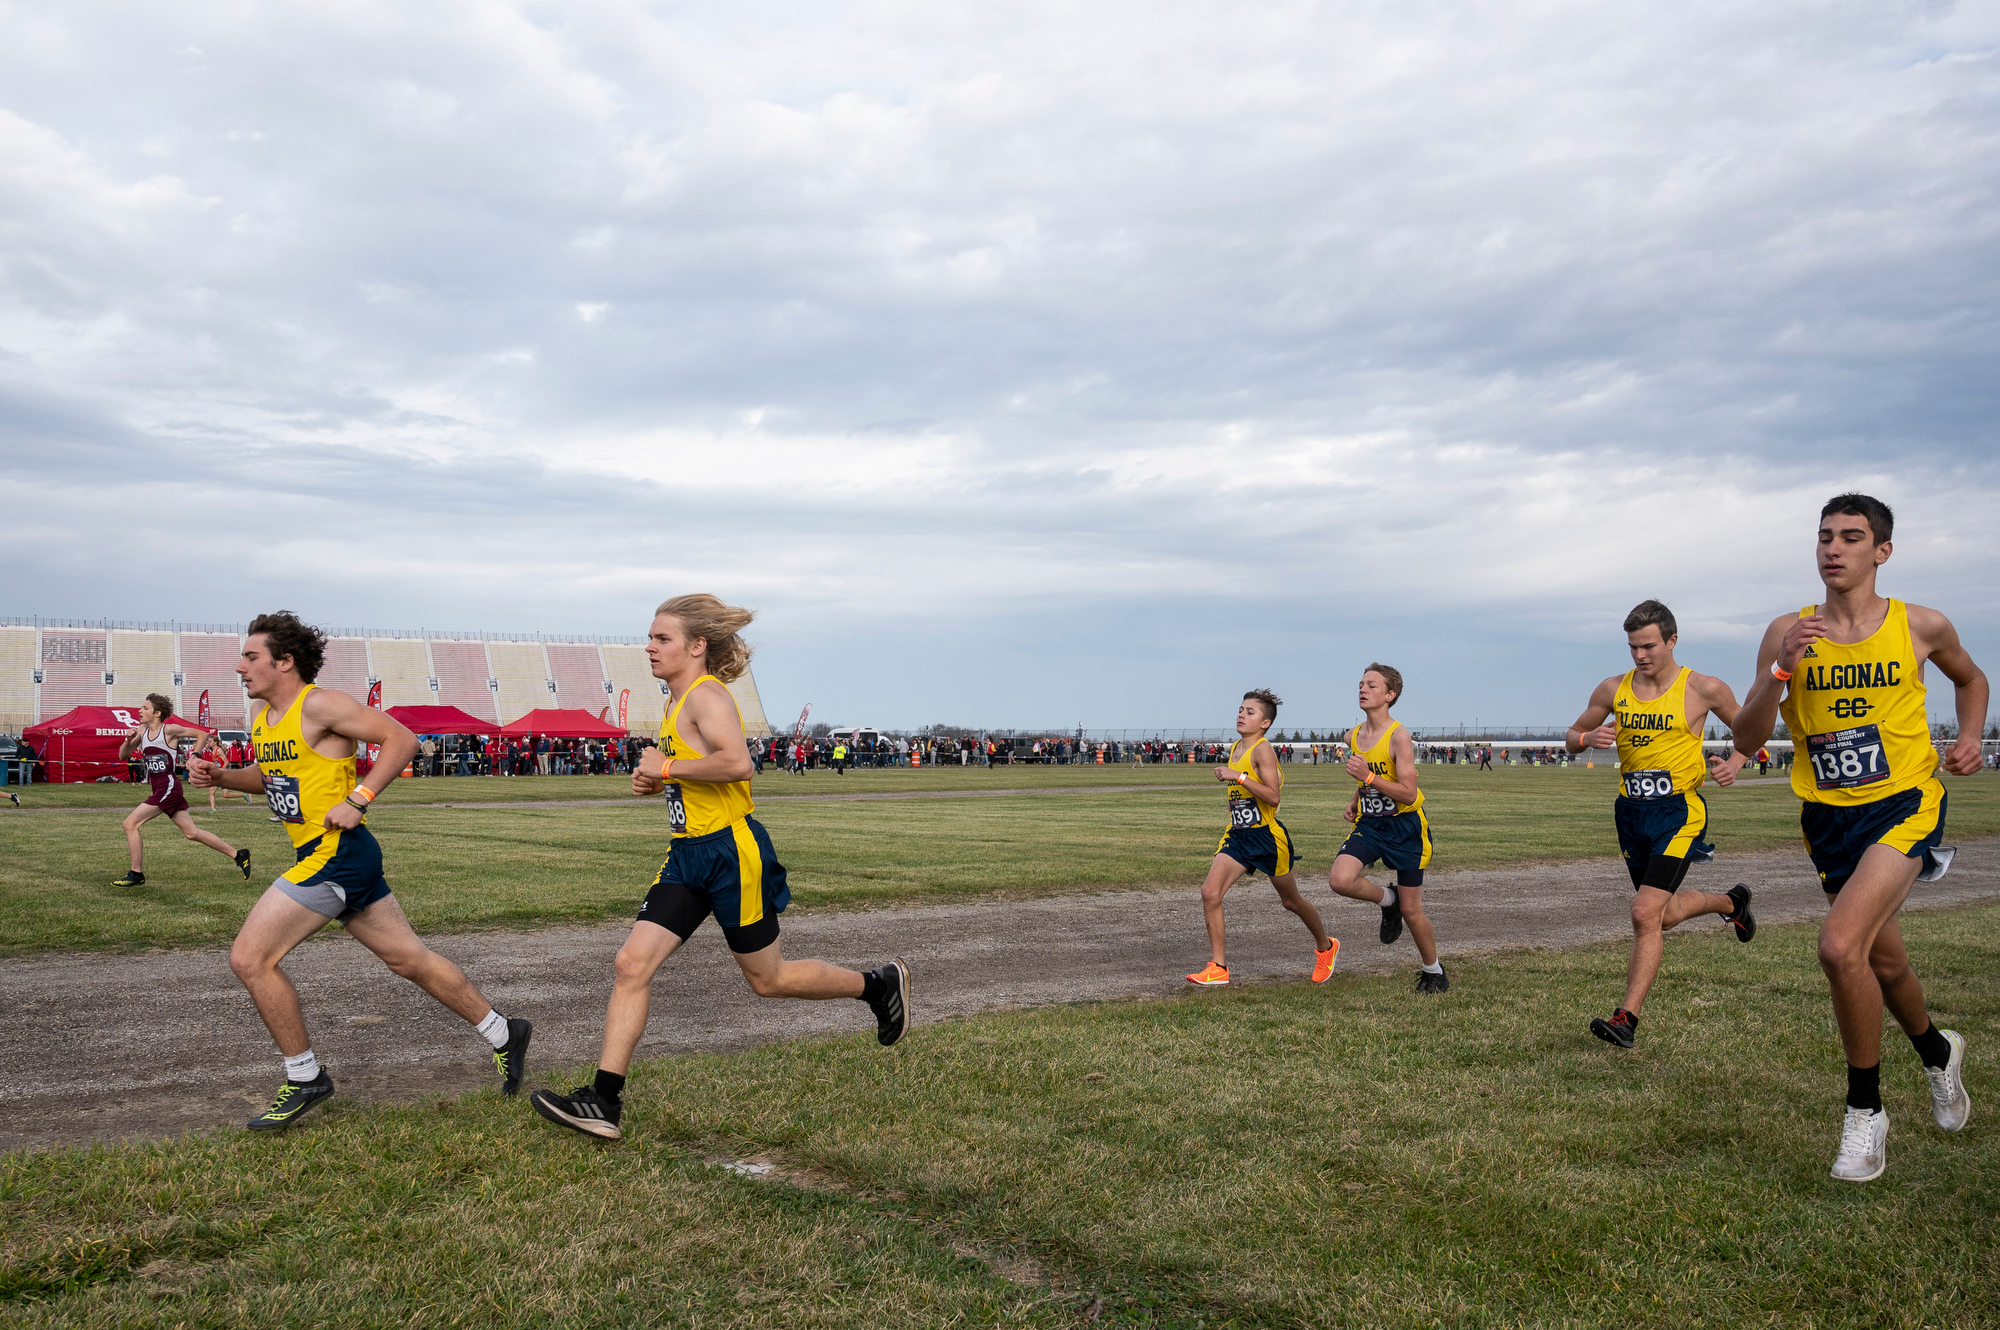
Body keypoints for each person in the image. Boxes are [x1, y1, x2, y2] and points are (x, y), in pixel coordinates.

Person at [531, 595, 909, 1142]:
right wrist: (662, 780)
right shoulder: (674, 701)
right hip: (687, 855)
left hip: (731, 853)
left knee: (769, 980)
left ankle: (877, 986)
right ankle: (604, 1102)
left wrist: (667, 766)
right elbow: (700, 770)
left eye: (662, 638)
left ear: (696, 646)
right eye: (651, 637)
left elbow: (738, 763)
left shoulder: (707, 696)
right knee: (632, 964)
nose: (650, 647)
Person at [1721, 495, 1984, 1183]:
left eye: (1852, 537)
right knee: (1882, 963)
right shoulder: (1788, 631)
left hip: (1905, 803)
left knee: (1839, 946)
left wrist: (1967, 736)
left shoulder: (1919, 625)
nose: (1834, 548)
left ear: (1882, 552)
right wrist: (1780, 670)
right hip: (1828, 818)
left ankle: (1865, 1113)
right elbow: (1746, 740)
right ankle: (1936, 1052)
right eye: (1825, 537)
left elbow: (1971, 678)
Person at [189, 613, 530, 1129]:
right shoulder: (264, 718)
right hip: (328, 856)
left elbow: (402, 740)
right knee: (409, 959)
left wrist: (360, 797)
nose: (240, 667)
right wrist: (222, 775)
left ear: (285, 662)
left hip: (339, 853)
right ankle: (506, 1033)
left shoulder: (321, 704)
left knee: (250, 959)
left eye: (250, 656)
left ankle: (305, 1078)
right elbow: (271, 776)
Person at [1565, 601, 1753, 1048]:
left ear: (1672, 640)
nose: (1640, 655)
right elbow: (1572, 737)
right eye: (1633, 646)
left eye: (1649, 645)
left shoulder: (1704, 688)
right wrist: (1589, 738)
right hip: (1631, 814)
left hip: (1679, 813)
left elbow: (1752, 728)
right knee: (1661, 916)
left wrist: (1737, 761)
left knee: (1643, 912)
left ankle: (1626, 1018)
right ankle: (1731, 903)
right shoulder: (1614, 688)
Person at [1186, 690, 1338, 988]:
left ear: (1265, 722)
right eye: (1241, 709)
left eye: (1250, 711)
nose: (1242, 714)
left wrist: (1238, 777)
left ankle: (1326, 946)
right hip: (1239, 835)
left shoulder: (1262, 749)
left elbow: (1273, 795)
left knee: (1291, 901)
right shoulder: (1237, 748)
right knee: (1210, 892)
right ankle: (1218, 967)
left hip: (1267, 837)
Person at [1326, 665, 1448, 994]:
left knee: (1412, 909)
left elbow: (1407, 792)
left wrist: (1366, 778)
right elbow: (1369, 777)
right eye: (1361, 684)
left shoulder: (1398, 736)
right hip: (1372, 824)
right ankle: (1386, 900)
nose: (1363, 689)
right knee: (1340, 879)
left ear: (1389, 695)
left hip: (1406, 827)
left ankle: (1433, 971)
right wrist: (1357, 798)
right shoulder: (1353, 736)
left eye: (1372, 685)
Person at [111, 694, 252, 888]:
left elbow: (202, 735)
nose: (139, 711)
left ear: (157, 713)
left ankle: (136, 873)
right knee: (192, 833)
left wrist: (194, 755)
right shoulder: (142, 731)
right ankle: (239, 855)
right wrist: (128, 740)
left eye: (144, 708)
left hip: (168, 785)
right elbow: (122, 755)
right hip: (160, 786)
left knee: (130, 824)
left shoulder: (169, 730)